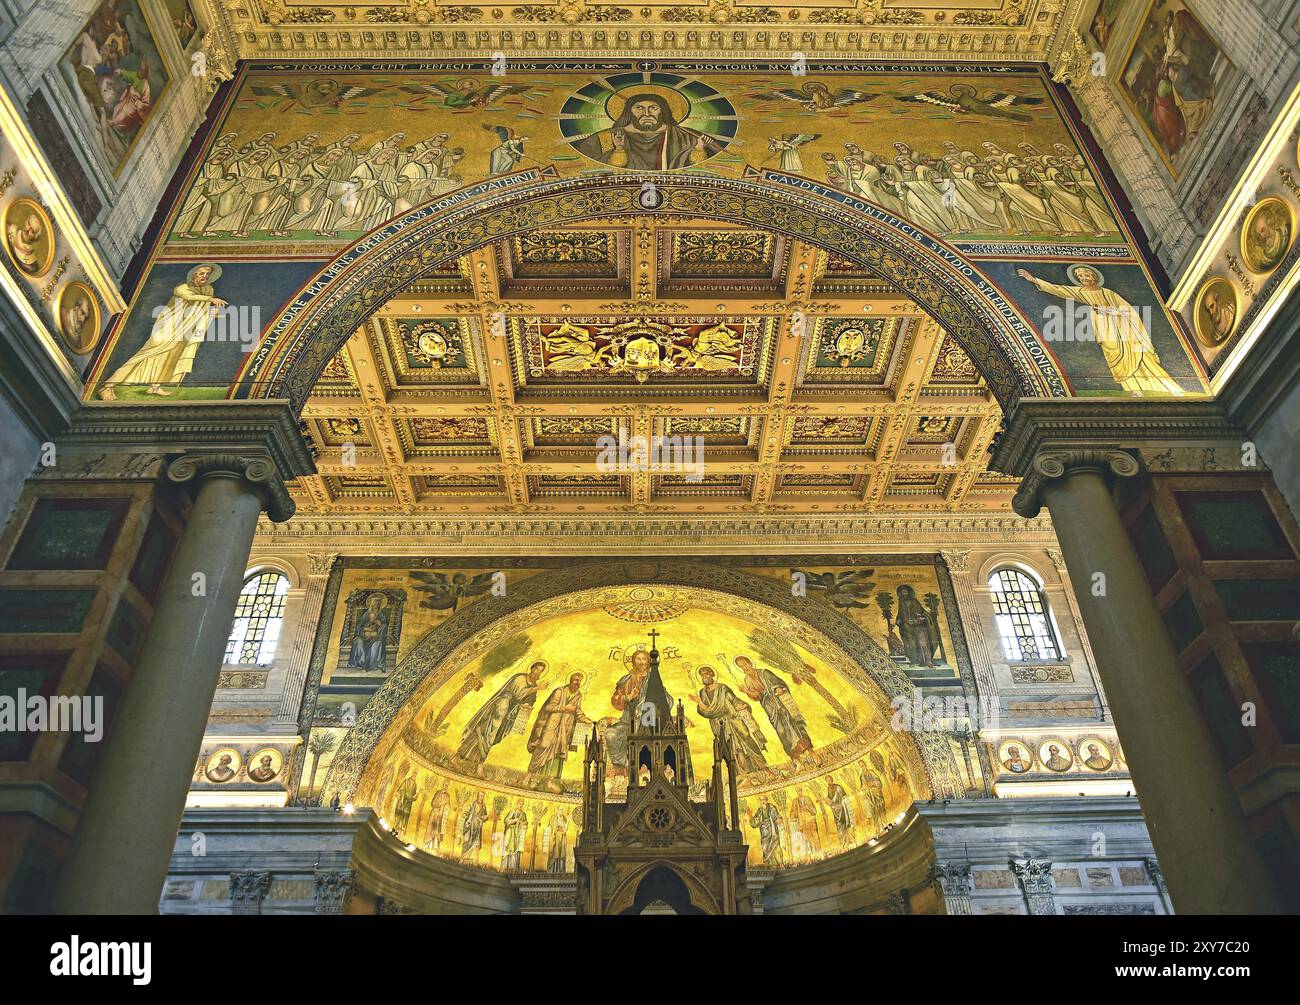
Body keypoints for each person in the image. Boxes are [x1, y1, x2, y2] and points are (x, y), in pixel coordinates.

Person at [1017, 265, 1185, 395]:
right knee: (1113, 356)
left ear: (1094, 276)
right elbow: (1061, 290)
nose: (1084, 278)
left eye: (1087, 275)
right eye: (1081, 276)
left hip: (1124, 328)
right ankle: (1134, 389)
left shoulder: (1109, 293)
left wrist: (1112, 311)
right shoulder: (1081, 292)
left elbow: (1127, 310)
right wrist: (1035, 280)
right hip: (1105, 329)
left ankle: (1165, 387)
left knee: (1138, 355)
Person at [98, 264, 227, 398]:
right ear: (194, 274)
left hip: (183, 331)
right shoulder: (183, 288)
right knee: (145, 354)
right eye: (201, 273)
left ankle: (154, 387)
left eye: (207, 274)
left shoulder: (208, 290)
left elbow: (200, 311)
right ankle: (108, 386)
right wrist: (210, 299)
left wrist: (214, 312)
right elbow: (188, 297)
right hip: (167, 327)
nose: (204, 276)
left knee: (168, 358)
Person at [573, 92, 721, 170]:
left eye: (653, 108)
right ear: (628, 112)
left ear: (663, 111)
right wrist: (618, 150)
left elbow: (706, 165)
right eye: (639, 108)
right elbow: (589, 167)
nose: (647, 113)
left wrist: (699, 148)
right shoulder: (605, 137)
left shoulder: (688, 136)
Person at [456, 660, 545, 767]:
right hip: (498, 709)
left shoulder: (534, 685)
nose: (537, 673)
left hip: (508, 716)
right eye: (536, 669)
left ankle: (476, 764)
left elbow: (531, 699)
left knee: (493, 738)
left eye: (540, 671)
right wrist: (536, 689)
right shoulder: (520, 678)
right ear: (532, 668)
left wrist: (527, 704)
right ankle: (460, 759)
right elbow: (518, 694)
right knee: (483, 733)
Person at [690, 665, 767, 773]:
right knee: (730, 747)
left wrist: (739, 704)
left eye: (706, 674)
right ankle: (741, 772)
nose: (704, 677)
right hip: (719, 725)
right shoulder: (702, 693)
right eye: (702, 675)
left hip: (733, 720)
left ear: (712, 674)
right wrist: (699, 703)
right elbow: (705, 711)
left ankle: (762, 766)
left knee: (746, 739)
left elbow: (733, 700)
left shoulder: (722, 688)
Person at [735, 655, 812, 758]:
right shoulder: (747, 681)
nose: (744, 668)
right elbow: (757, 696)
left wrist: (778, 688)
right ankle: (796, 757)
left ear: (750, 663)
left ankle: (811, 752)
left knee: (793, 725)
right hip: (770, 709)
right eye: (741, 666)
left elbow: (779, 683)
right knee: (781, 731)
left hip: (781, 704)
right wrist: (746, 691)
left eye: (745, 664)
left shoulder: (764, 672)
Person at [527, 671, 592, 787]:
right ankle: (531, 777)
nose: (577, 683)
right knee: (542, 747)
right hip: (552, 724)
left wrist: (584, 718)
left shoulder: (578, 695)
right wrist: (564, 708)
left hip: (565, 728)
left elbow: (577, 710)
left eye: (579, 681)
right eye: (576, 680)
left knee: (558, 753)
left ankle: (550, 781)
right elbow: (549, 706)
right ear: (570, 680)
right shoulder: (560, 691)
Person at [347, 593, 389, 670]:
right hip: (364, 636)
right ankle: (360, 663)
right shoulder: (366, 614)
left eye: (378, 603)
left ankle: (371, 665)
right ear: (372, 603)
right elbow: (359, 626)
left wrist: (380, 625)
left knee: (376, 644)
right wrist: (364, 631)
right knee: (358, 641)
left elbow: (384, 626)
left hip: (375, 637)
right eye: (375, 602)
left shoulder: (382, 615)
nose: (376, 604)